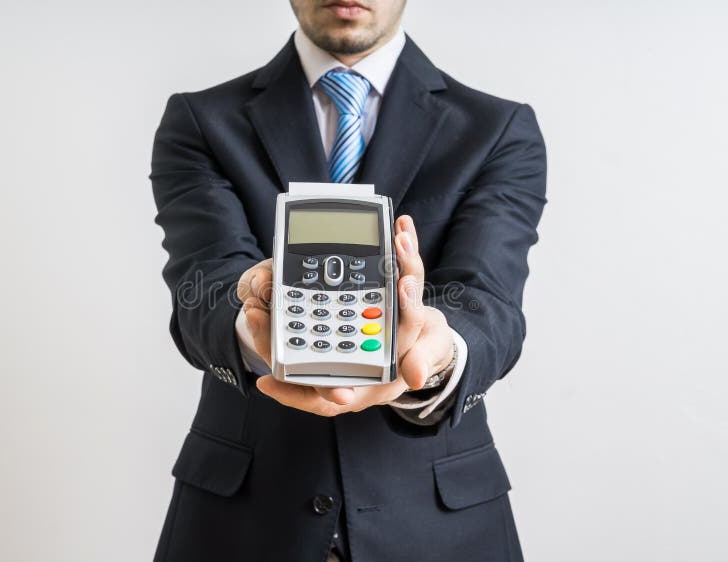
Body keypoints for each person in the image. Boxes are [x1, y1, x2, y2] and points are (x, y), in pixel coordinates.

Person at [149, 1, 546, 560]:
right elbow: (206, 284)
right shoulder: (201, 121)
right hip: (243, 524)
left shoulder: (498, 128)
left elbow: (489, 301)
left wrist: (434, 355)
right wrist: (257, 324)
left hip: (440, 526)